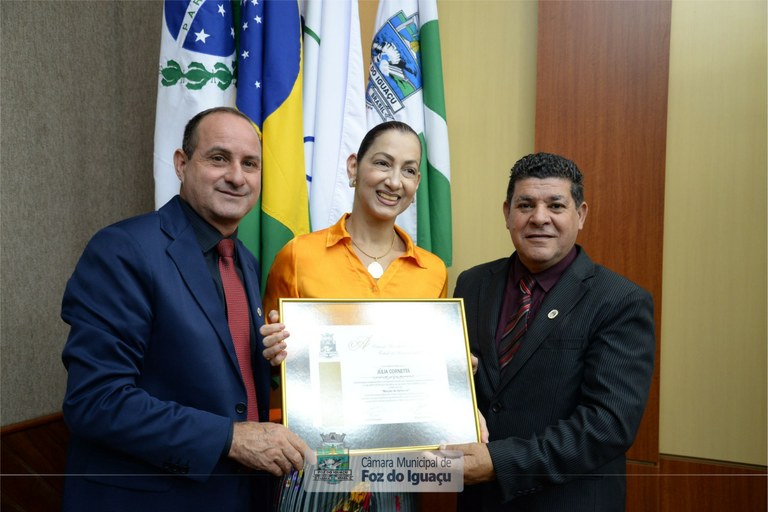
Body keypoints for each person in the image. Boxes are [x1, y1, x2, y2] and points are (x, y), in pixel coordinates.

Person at [60, 107, 310, 512]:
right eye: (218, 158)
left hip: (237, 496)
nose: (236, 176)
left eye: (250, 164)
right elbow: (96, 400)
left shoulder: (243, 260)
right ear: (181, 164)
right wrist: (231, 438)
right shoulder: (123, 250)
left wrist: (269, 362)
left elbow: (219, 379)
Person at [449, 152, 655, 511]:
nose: (539, 218)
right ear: (507, 213)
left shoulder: (620, 300)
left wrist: (498, 462)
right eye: (525, 204)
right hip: (479, 502)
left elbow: (607, 426)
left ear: (581, 214)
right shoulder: (473, 283)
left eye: (556, 205)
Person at [260, 121, 448, 511]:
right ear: (353, 167)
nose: (395, 181)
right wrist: (272, 353)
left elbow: (426, 374)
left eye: (409, 170)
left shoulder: (433, 271)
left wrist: (453, 368)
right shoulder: (299, 256)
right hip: (314, 460)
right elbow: (271, 370)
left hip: (393, 464)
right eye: (383, 163)